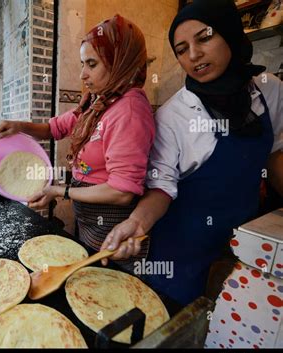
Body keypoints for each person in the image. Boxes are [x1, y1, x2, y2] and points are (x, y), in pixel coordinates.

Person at [101, 0, 283, 305]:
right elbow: (161, 187)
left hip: (242, 248)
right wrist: (137, 223)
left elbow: (275, 152)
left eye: (205, 37)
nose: (194, 55)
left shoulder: (269, 89)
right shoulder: (175, 115)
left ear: (230, 34)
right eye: (181, 49)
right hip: (181, 255)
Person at [0, 15, 155, 256]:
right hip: (88, 218)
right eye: (82, 64)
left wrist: (60, 191)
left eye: (92, 64)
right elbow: (55, 129)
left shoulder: (129, 111)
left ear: (119, 62)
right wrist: (19, 127)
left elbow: (121, 191)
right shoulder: (100, 101)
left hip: (114, 227)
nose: (82, 75)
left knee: (105, 286)